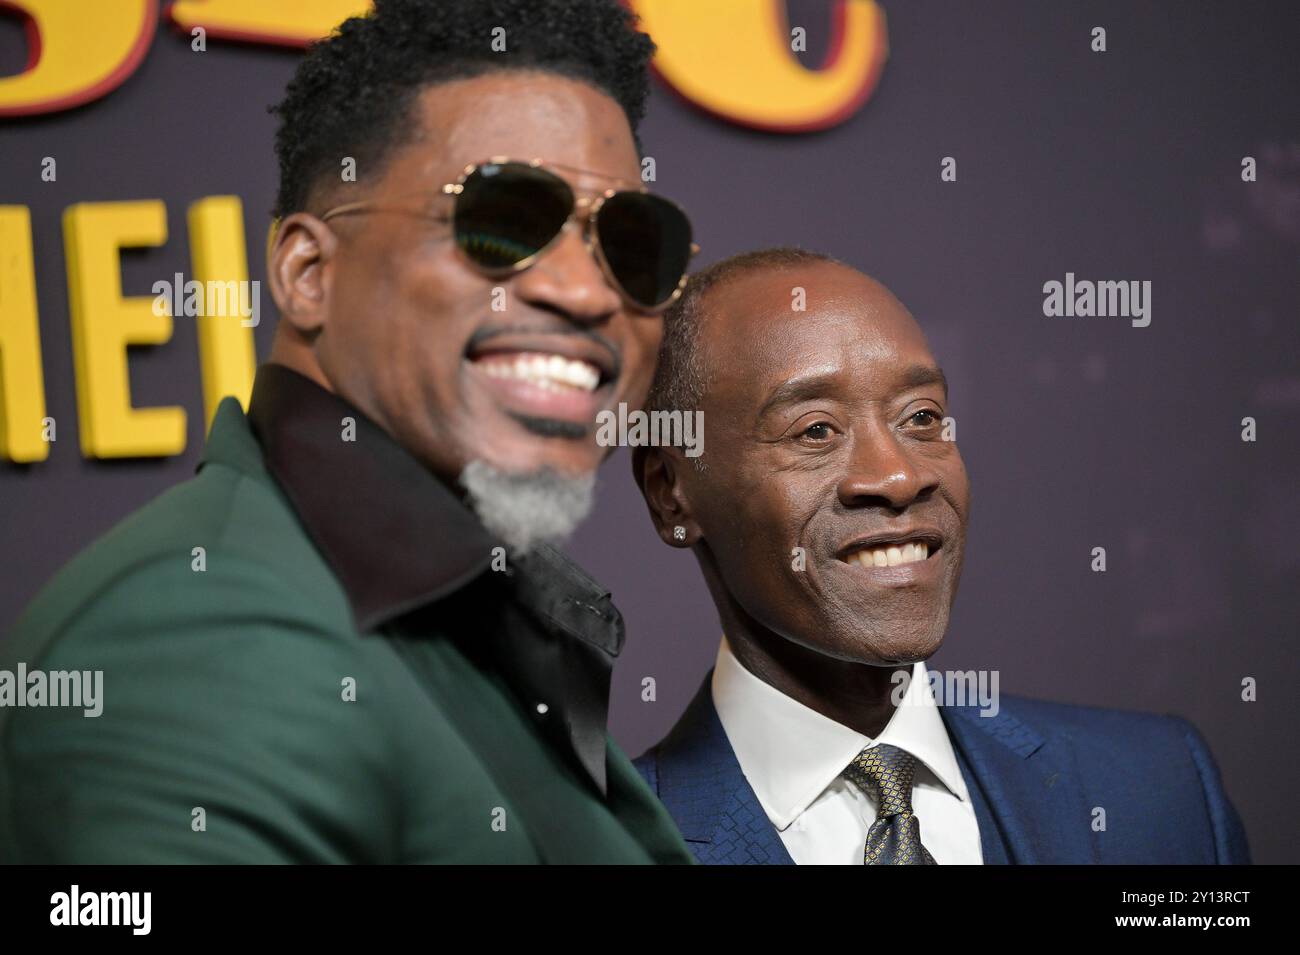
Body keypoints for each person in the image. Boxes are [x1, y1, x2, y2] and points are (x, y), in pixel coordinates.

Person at [0, 0, 697, 864]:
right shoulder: (201, 633)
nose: (589, 294)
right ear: (306, 273)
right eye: (503, 221)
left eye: (631, 244)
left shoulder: (471, 619)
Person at [631, 248, 1250, 864]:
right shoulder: (604, 847)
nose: (899, 475)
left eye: (922, 417)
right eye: (815, 429)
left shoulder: (1161, 791)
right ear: (670, 494)